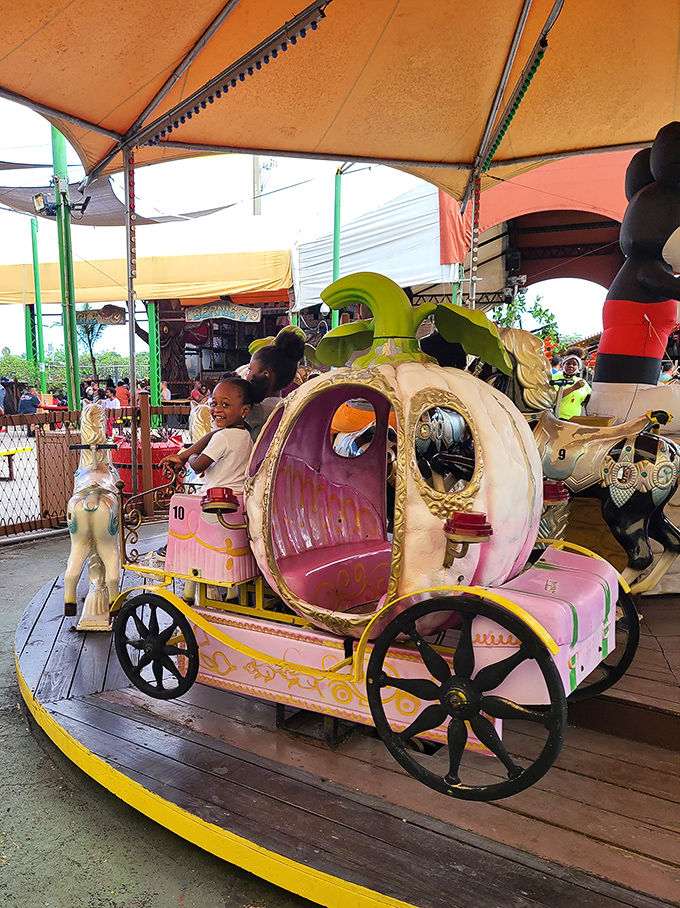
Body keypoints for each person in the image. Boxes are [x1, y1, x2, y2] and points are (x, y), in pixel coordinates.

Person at [244, 328, 306, 440]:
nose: (245, 375)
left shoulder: (257, 410)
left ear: (265, 374)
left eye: (249, 369)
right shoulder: (279, 404)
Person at [554, 350, 591, 419]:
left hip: (575, 420)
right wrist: (573, 388)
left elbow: (589, 398)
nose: (571, 366)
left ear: (578, 367)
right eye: (568, 364)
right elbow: (553, 397)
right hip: (556, 419)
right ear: (563, 365)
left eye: (574, 364)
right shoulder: (554, 378)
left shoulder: (582, 382)